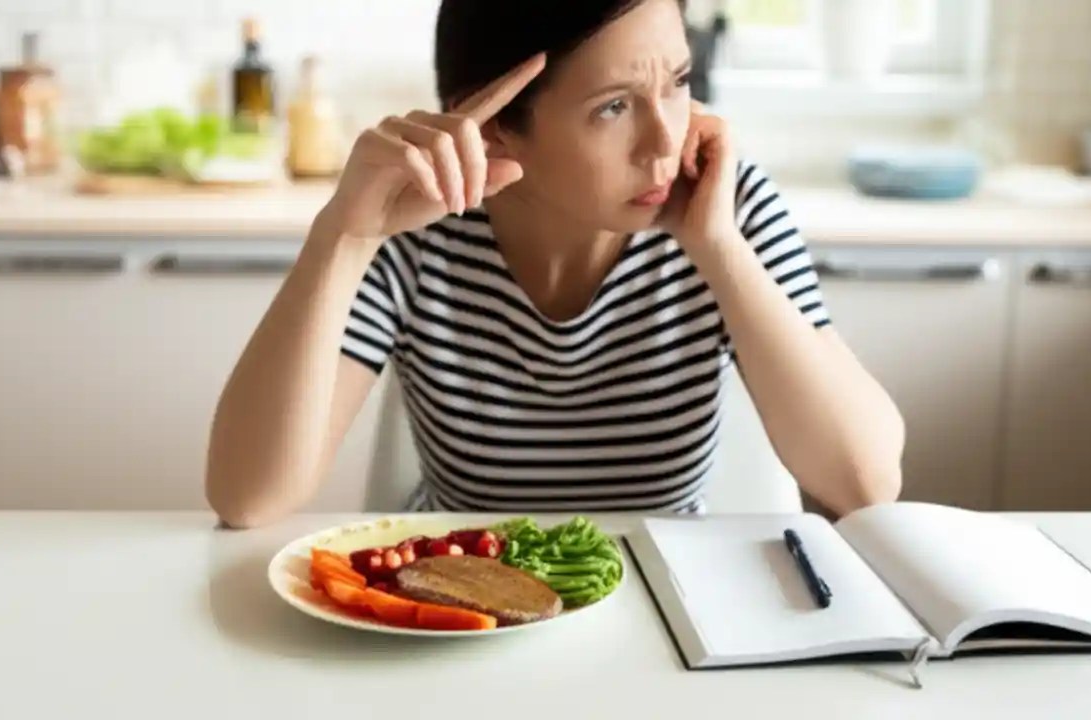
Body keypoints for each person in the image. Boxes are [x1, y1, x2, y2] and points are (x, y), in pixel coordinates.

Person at [205, 0, 905, 529]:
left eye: (678, 82)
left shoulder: (726, 205)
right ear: (494, 121)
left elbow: (865, 483)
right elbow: (248, 497)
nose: (665, 140)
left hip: (667, 607)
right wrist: (343, 237)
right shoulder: (419, 232)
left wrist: (719, 250)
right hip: (464, 603)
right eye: (614, 108)